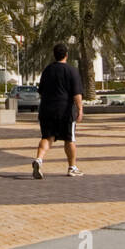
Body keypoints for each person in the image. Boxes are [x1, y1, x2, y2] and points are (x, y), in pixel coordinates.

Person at [31, 42, 84, 178]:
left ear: (54, 55)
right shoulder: (72, 71)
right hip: (65, 111)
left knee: (47, 137)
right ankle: (72, 167)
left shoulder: (47, 70)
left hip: (46, 110)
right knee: (69, 139)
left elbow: (41, 91)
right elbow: (76, 93)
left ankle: (39, 159)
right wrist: (80, 109)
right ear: (66, 55)